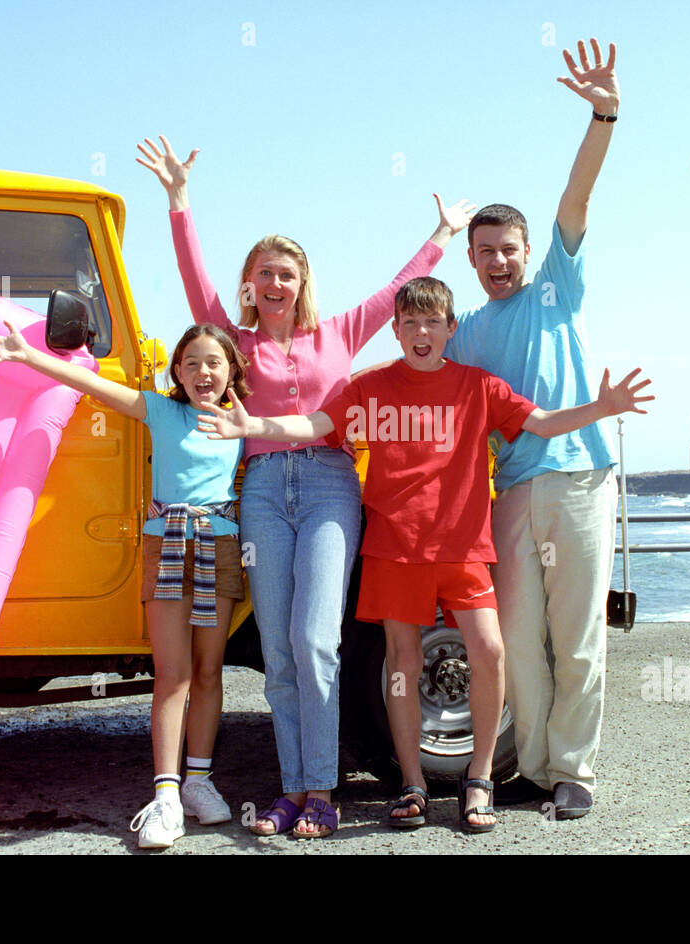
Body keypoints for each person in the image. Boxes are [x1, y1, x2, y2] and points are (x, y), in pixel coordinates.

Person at [196, 276, 651, 832]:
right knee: (401, 668)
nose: (420, 332)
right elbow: (317, 425)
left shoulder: (479, 386)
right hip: (395, 548)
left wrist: (600, 407)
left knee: (489, 651)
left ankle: (479, 778)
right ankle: (411, 783)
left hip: (462, 549)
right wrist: (255, 425)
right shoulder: (371, 387)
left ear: (449, 328)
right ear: (395, 330)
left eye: (432, 322)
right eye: (409, 322)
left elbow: (542, 424)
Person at [137, 135, 474, 838]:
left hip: (327, 487)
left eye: (286, 273)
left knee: (318, 640)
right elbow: (194, 279)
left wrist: (441, 236)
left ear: (302, 282)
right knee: (281, 649)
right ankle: (293, 791)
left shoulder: (340, 333)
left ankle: (324, 790)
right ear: (250, 284)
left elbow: (393, 294)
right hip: (259, 488)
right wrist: (178, 201)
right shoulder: (233, 340)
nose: (275, 283)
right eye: (264, 273)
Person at [0, 320, 250, 849]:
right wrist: (26, 355)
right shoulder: (162, 411)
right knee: (173, 674)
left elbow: (303, 419)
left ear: (232, 368)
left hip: (223, 542)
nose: (203, 372)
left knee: (211, 671)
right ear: (178, 373)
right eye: (191, 363)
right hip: (165, 541)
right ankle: (166, 794)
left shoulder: (243, 421)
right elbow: (93, 386)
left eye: (214, 362)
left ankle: (199, 781)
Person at [442, 38, 632, 819]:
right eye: (483, 252)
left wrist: (603, 113)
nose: (497, 261)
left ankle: (573, 770)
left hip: (581, 477)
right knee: (520, 641)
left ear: (528, 253)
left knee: (579, 634)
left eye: (508, 250)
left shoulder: (557, 285)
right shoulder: (462, 337)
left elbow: (576, 198)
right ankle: (535, 763)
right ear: (471, 259)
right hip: (511, 490)